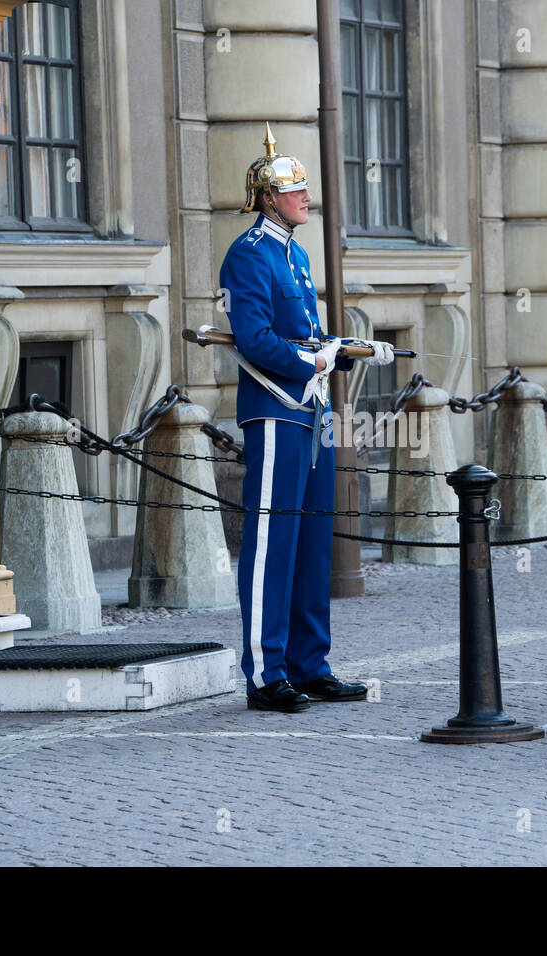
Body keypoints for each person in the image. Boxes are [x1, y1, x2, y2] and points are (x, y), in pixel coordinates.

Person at [219, 123, 395, 713]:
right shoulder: (249, 255)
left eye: (303, 190)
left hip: (311, 411)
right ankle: (265, 673)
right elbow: (256, 339)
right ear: (268, 197)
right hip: (274, 410)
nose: (305, 198)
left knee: (313, 538)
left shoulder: (292, 254)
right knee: (272, 542)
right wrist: (315, 356)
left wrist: (341, 346)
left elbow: (305, 333)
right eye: (293, 191)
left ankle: (308, 663)